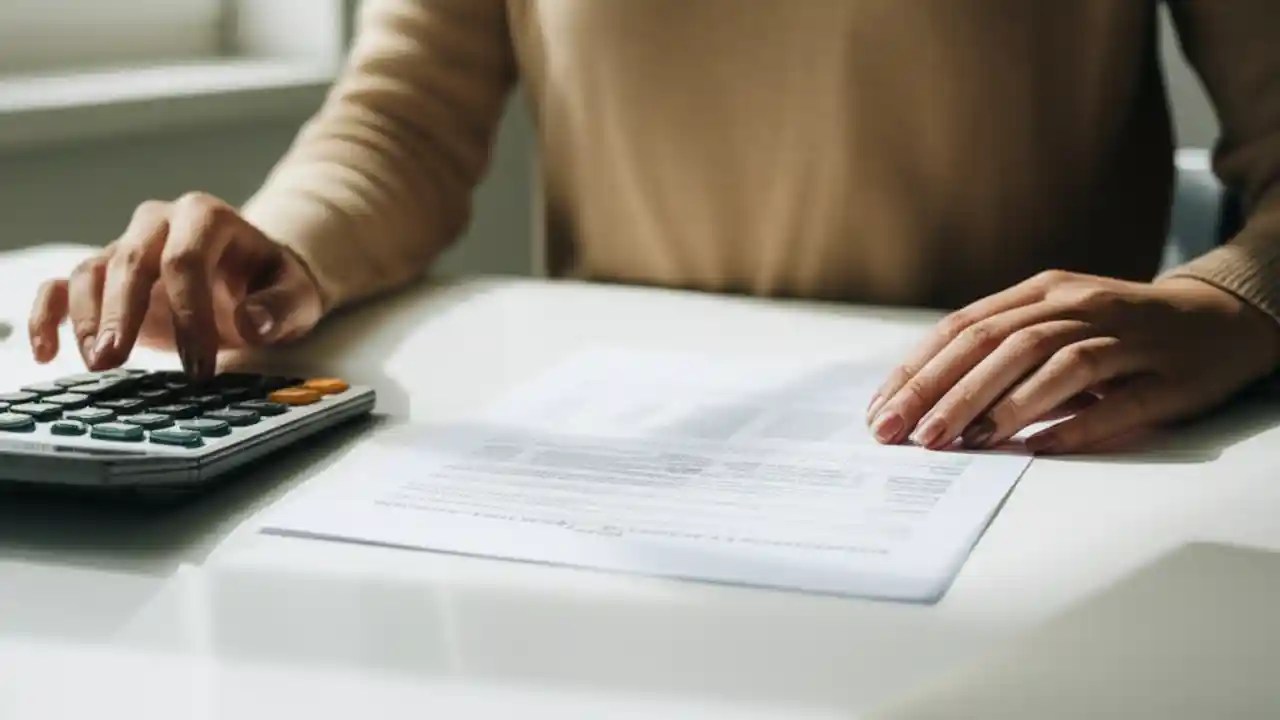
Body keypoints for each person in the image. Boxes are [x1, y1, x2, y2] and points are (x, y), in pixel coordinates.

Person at [26, 1, 1280, 454]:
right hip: (626, 445)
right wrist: (281, 251)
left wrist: (1229, 298)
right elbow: (404, 123)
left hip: (1012, 452)